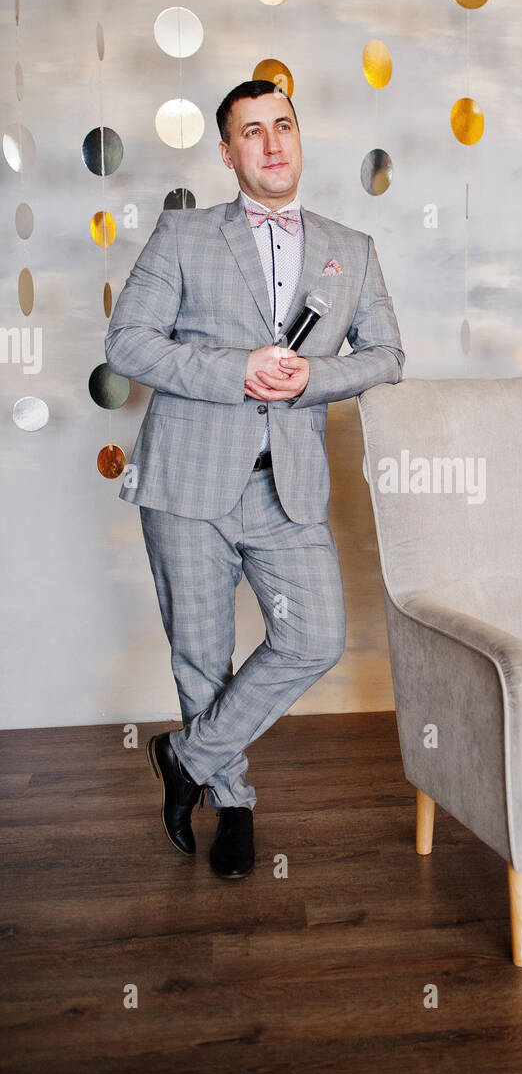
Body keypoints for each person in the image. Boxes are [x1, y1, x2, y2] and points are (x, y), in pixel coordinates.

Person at [105, 79, 405, 879]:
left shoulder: (353, 247)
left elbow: (386, 357)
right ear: (227, 151)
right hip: (187, 481)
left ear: (299, 136)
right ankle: (232, 802)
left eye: (283, 126)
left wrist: (311, 376)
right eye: (251, 132)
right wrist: (235, 369)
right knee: (201, 658)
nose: (271, 144)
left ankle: (186, 760)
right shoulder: (182, 235)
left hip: (289, 487)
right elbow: (128, 344)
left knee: (313, 638)